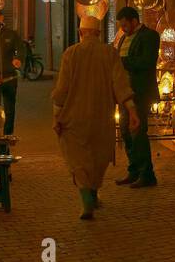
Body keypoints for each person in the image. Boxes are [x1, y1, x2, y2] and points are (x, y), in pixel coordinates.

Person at [52, 17, 136, 219]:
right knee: (98, 158)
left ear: (81, 33)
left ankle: (86, 201)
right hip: (101, 118)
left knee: (78, 161)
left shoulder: (71, 54)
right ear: (99, 34)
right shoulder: (109, 53)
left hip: (74, 118)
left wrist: (56, 116)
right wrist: (132, 111)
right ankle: (93, 194)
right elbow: (120, 84)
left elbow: (61, 90)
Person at [114, 6, 160, 187]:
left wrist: (122, 62)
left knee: (137, 131)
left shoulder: (150, 36)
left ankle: (147, 173)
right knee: (125, 130)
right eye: (121, 26)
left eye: (125, 25)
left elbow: (147, 61)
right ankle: (134, 169)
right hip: (125, 93)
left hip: (140, 92)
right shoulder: (124, 37)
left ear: (134, 20)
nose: (123, 29)